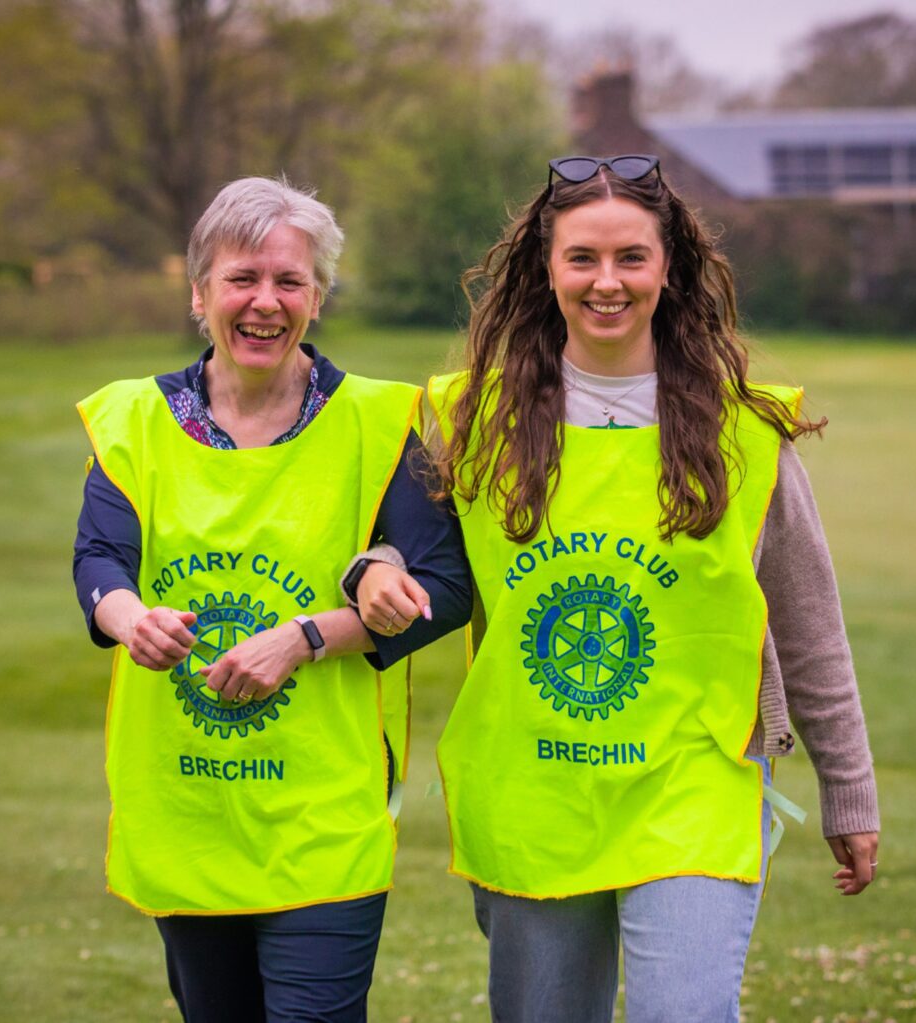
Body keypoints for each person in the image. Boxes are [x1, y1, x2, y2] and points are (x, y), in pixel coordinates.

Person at [357, 154, 879, 1023]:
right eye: (583, 258)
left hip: (693, 781)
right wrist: (374, 569)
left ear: (669, 267)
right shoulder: (470, 420)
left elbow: (807, 621)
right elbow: (407, 552)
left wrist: (848, 789)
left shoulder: (744, 431)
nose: (608, 281)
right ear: (546, 269)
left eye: (631, 257)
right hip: (532, 786)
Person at [72, 176, 469, 1023]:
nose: (265, 301)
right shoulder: (133, 422)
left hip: (324, 814)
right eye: (241, 278)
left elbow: (445, 583)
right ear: (199, 294)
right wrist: (131, 619)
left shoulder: (379, 424)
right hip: (188, 809)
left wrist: (309, 635)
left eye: (290, 280)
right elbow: (100, 557)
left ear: (317, 298)